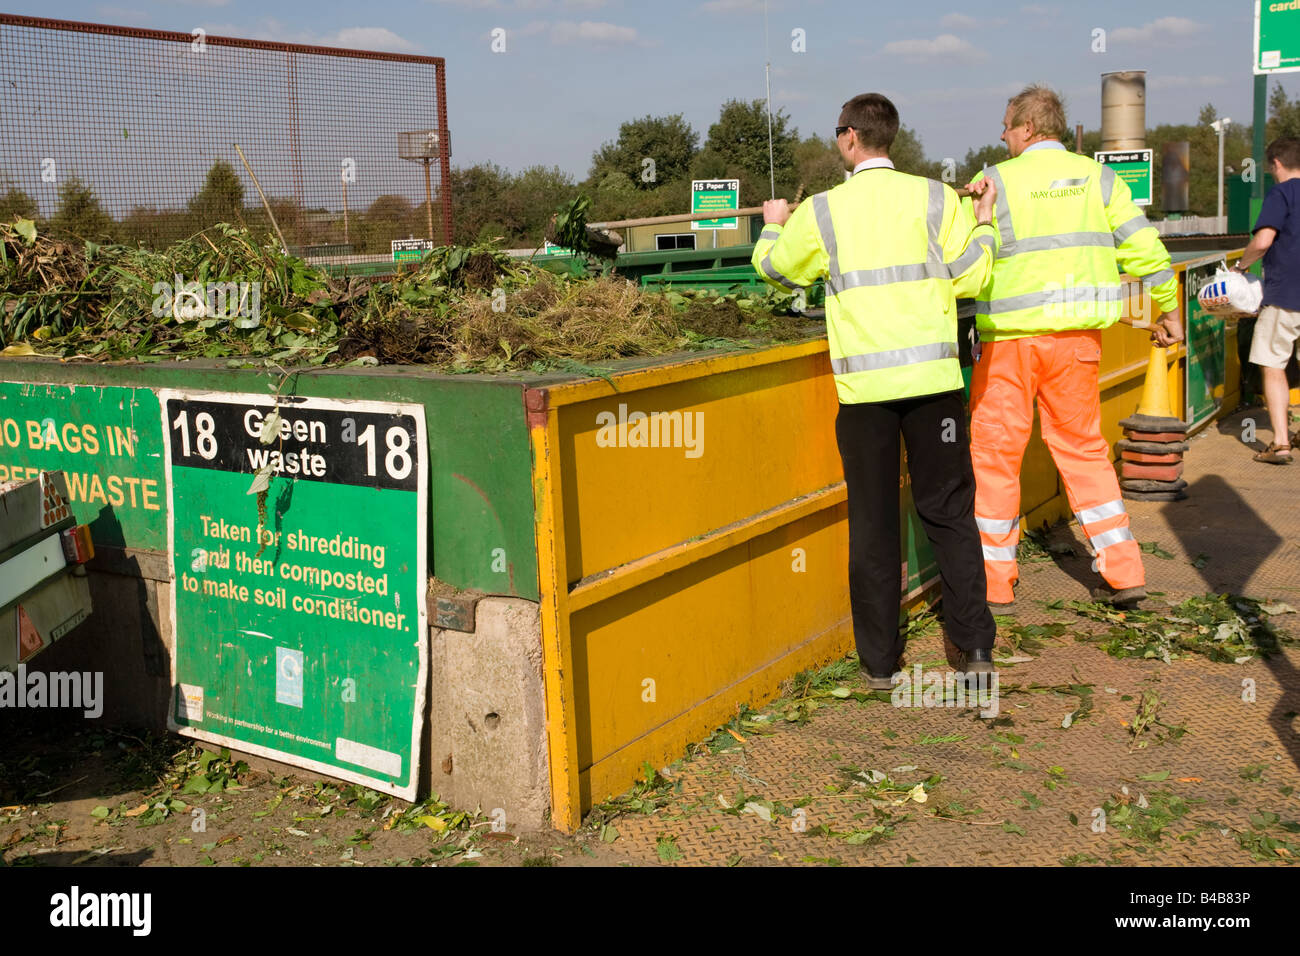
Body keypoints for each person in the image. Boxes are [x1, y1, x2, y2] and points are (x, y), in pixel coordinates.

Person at [751, 92, 1001, 689]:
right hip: (937, 388)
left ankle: (881, 664)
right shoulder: (938, 198)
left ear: (849, 139)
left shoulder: (823, 211)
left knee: (873, 523)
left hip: (865, 395)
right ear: (889, 137)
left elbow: (778, 273)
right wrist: (986, 221)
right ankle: (974, 650)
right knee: (950, 516)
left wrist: (771, 229)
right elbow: (976, 274)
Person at [966, 85, 1184, 610]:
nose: (1001, 134)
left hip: (1009, 347)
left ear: (1027, 128)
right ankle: (1124, 570)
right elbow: (1144, 247)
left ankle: (994, 582)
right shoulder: (1099, 178)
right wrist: (1168, 307)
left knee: (996, 457)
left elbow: (966, 257)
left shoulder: (992, 181)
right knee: (1084, 451)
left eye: (1006, 124)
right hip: (1077, 343)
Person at [1232, 137, 1300, 465]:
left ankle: (1282, 443)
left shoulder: (1281, 193)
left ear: (1275, 163)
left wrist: (1240, 267)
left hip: (1286, 294)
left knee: (1273, 366)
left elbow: (1262, 241)